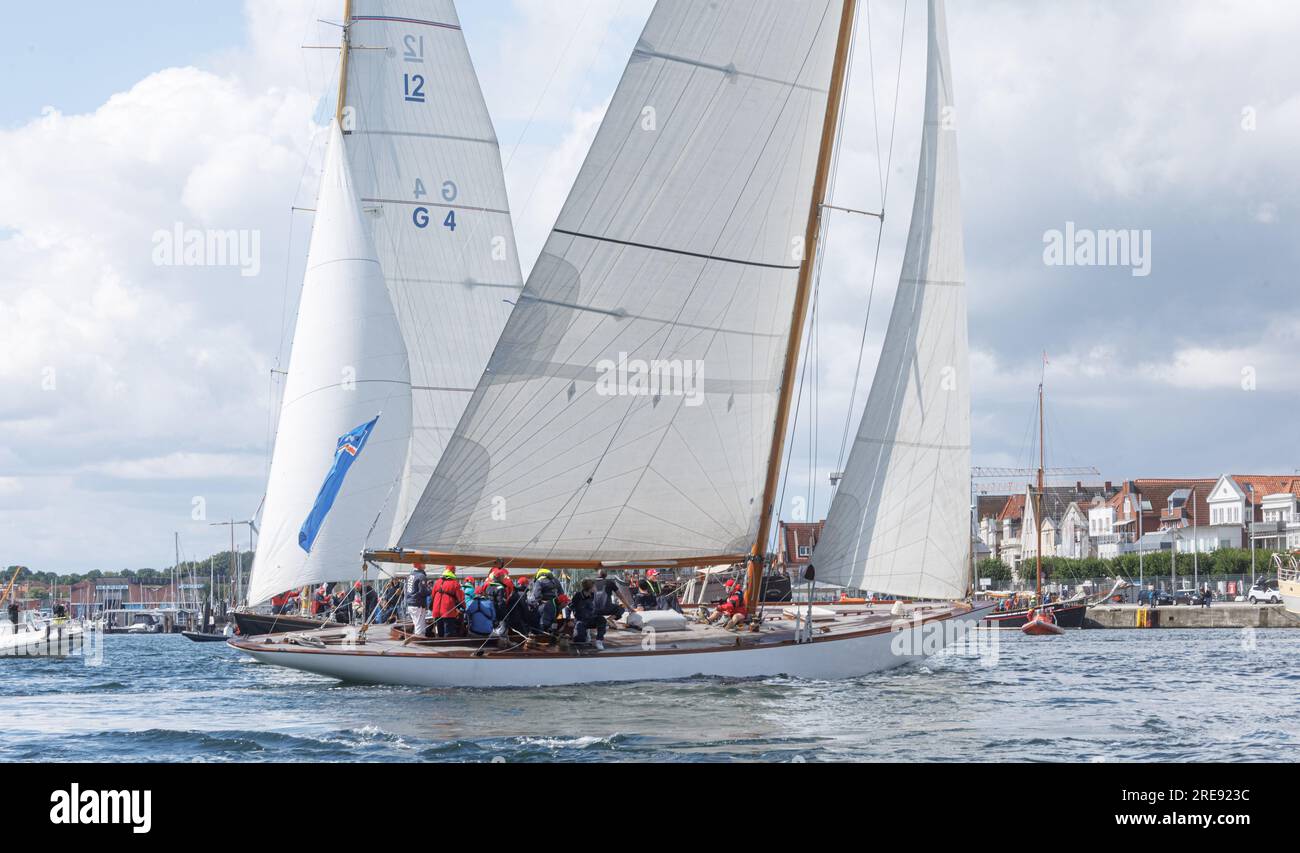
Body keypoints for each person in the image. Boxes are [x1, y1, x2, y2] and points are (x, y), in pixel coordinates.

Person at [569, 578, 607, 650]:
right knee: (579, 640)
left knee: (602, 620)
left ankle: (599, 641)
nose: (596, 588)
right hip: (580, 621)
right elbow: (569, 608)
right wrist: (568, 620)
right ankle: (583, 633)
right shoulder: (577, 596)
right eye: (594, 586)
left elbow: (598, 608)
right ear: (590, 588)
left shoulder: (594, 596)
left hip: (591, 619)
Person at [528, 569, 566, 636]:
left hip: (544, 606)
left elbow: (537, 596)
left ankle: (543, 641)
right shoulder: (556, 580)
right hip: (555, 607)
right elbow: (562, 594)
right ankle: (552, 640)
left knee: (542, 625)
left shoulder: (539, 581)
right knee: (552, 624)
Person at [430, 567, 466, 638]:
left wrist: (431, 607)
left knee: (440, 630)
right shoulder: (455, 583)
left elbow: (432, 595)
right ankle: (447, 645)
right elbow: (460, 598)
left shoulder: (437, 582)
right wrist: (464, 607)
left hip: (436, 610)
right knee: (448, 631)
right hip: (448, 611)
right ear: (453, 572)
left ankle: (439, 643)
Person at [404, 564, 430, 638]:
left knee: (417, 624)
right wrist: (431, 591)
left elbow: (406, 590)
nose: (425, 564)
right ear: (420, 565)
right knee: (419, 626)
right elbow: (423, 592)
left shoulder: (410, 576)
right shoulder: (421, 576)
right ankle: (419, 642)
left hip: (410, 603)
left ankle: (418, 638)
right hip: (418, 604)